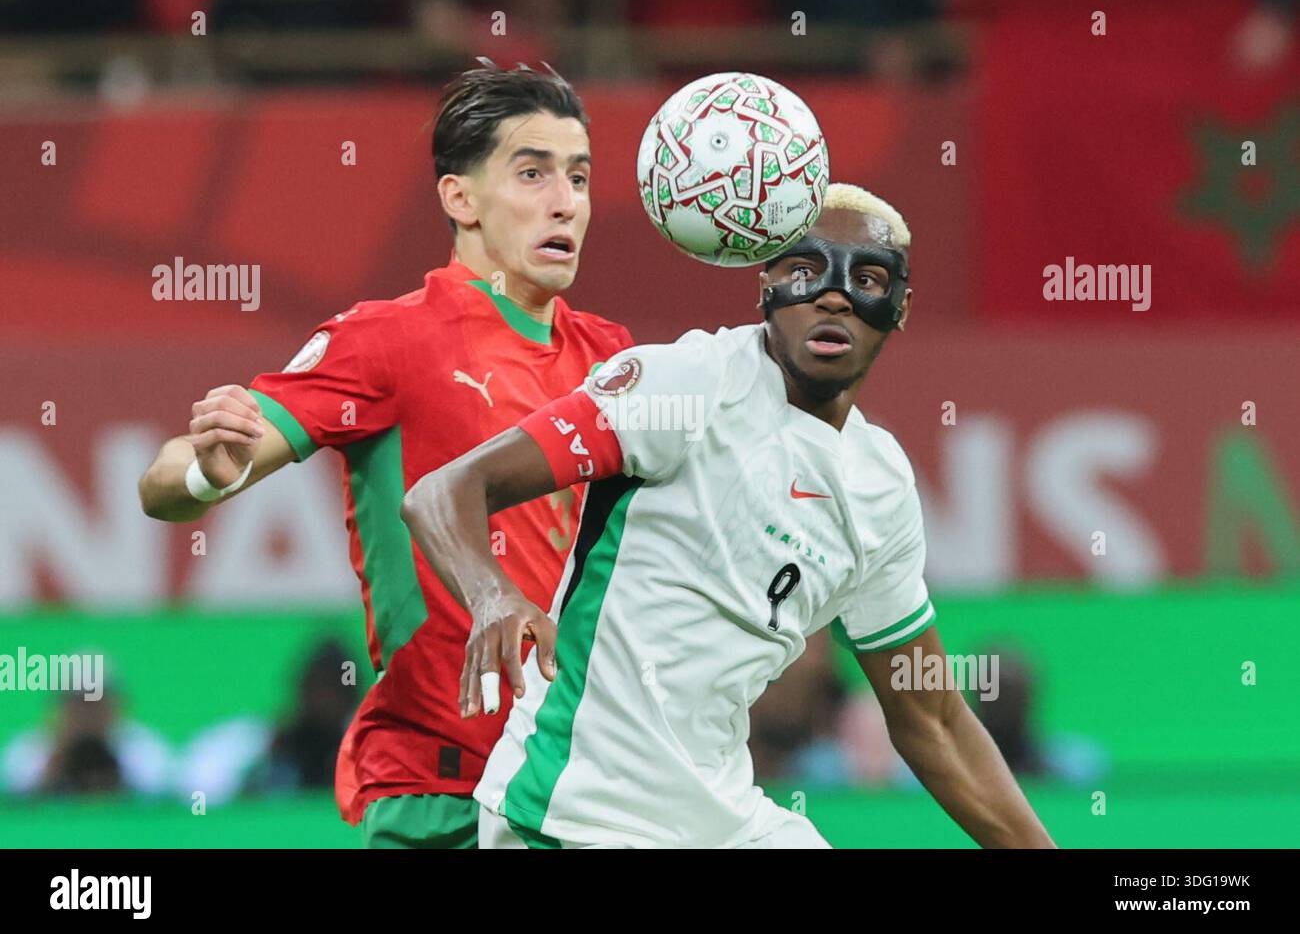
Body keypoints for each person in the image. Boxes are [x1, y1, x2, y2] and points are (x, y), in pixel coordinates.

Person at [400, 183, 1056, 848]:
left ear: (899, 309)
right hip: (577, 812)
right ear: (766, 283)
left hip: (723, 819)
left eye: (867, 278)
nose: (833, 296)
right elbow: (446, 491)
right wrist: (490, 594)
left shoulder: (878, 487)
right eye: (805, 270)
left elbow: (932, 716)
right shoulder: (684, 384)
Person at [137, 60, 633, 847]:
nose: (565, 200)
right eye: (532, 172)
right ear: (459, 198)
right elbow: (162, 487)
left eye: (578, 176)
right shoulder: (389, 339)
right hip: (443, 795)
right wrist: (207, 469)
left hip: (587, 789)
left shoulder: (616, 363)